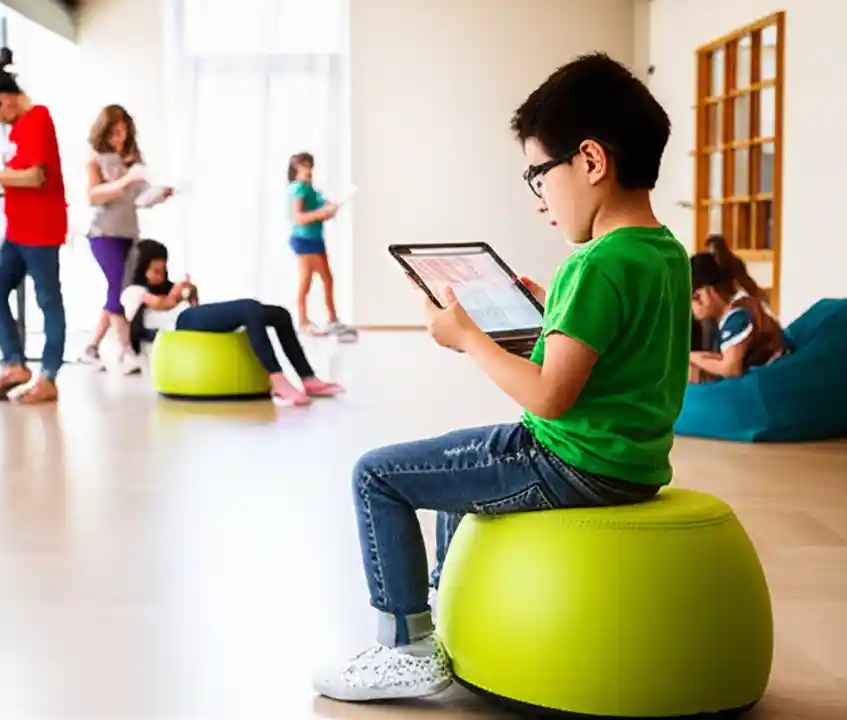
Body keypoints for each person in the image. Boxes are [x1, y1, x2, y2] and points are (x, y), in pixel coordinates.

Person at [313, 53, 686, 702]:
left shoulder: (595, 264)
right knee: (459, 474)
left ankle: (405, 646)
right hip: (632, 467)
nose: (539, 199)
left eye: (538, 174)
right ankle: (456, 616)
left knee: (378, 475)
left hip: (570, 462)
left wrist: (468, 338)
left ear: (590, 161)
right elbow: (624, 351)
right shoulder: (664, 252)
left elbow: (549, 395)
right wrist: (553, 314)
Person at [0, 47, 67, 404]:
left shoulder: (37, 119)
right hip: (18, 228)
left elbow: (35, 177)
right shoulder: (18, 129)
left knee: (48, 300)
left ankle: (48, 377)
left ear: (4, 100)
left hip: (41, 227)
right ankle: (14, 365)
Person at [122, 240, 343, 406]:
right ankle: (277, 379)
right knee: (248, 307)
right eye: (155, 271)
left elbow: (184, 302)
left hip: (190, 317)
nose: (160, 276)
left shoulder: (166, 287)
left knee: (279, 314)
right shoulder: (132, 292)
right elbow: (162, 304)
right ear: (141, 270)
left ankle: (307, 377)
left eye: (163, 270)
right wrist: (176, 295)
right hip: (180, 324)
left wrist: (189, 292)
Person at [78, 105, 174, 374]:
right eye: (115, 132)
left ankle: (91, 347)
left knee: (117, 289)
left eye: (124, 131)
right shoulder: (95, 157)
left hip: (128, 232)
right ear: (104, 131)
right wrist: (124, 182)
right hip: (103, 233)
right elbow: (93, 195)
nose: (120, 137)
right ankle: (126, 351)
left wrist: (160, 194)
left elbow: (139, 199)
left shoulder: (131, 159)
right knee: (118, 290)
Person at [688, 251, 789, 382]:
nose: (691, 306)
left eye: (694, 297)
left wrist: (689, 358)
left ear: (709, 291)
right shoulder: (732, 313)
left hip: (770, 378)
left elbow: (731, 368)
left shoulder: (738, 316)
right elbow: (721, 358)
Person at [288, 152, 356, 341]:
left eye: (309, 165)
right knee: (306, 280)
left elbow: (319, 210)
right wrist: (321, 213)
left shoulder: (310, 188)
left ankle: (332, 319)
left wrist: (329, 210)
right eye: (303, 165)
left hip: (315, 239)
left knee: (327, 279)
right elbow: (298, 217)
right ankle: (303, 322)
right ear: (295, 169)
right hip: (304, 240)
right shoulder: (298, 188)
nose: (308, 169)